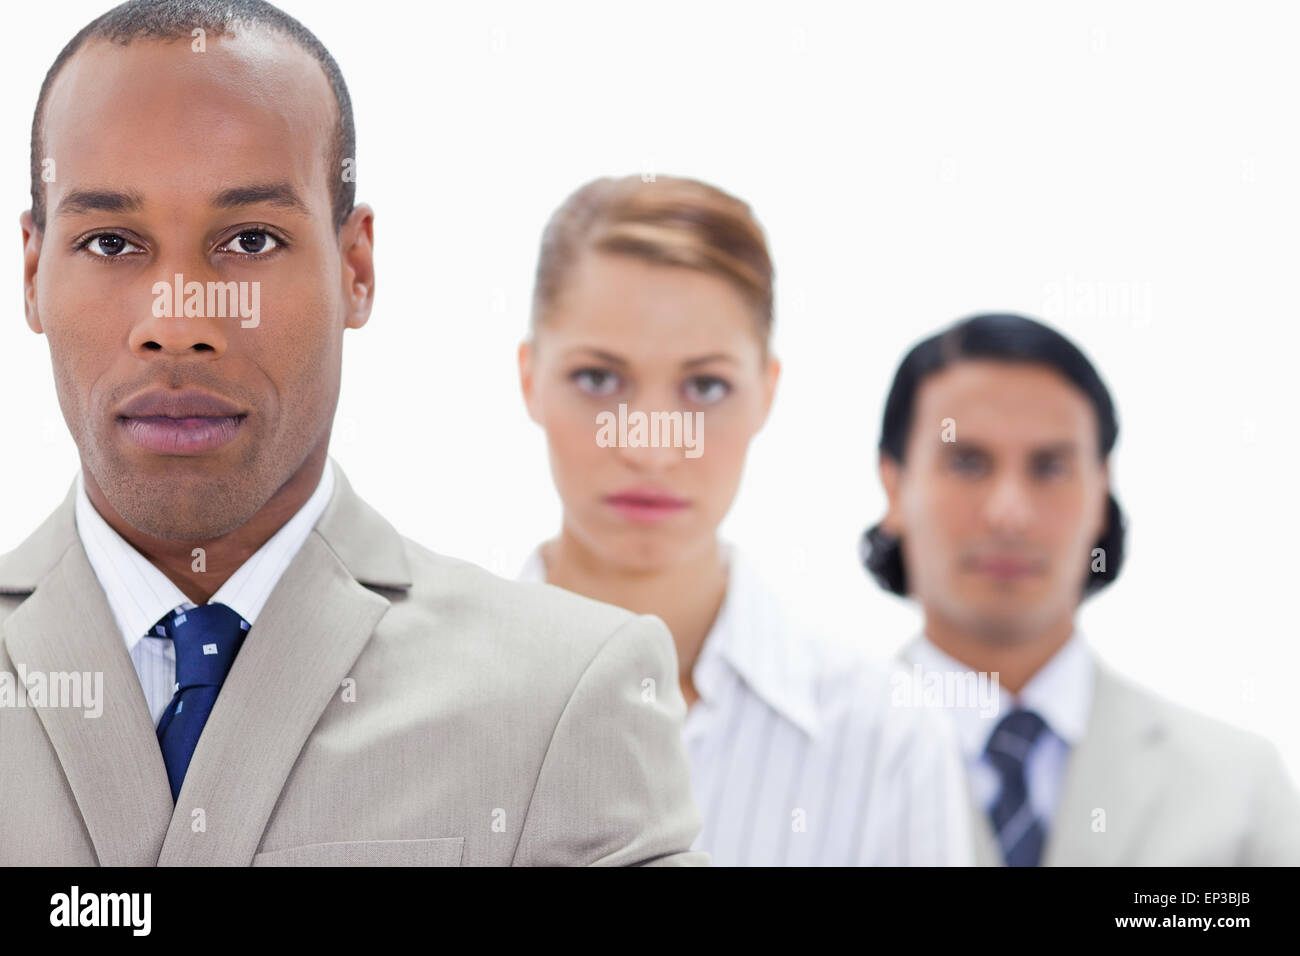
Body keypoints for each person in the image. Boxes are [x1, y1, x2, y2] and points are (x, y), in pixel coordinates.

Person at [0, 0, 705, 867]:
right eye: (111, 243)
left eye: (249, 239)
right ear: (32, 274)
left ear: (355, 269)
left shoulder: (565, 696)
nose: (177, 320)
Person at [517, 173, 973, 865]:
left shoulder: (886, 739)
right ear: (530, 379)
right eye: (598, 379)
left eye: (706, 386)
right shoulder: (420, 707)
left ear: (767, 393)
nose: (651, 447)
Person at [863, 311, 1300, 865]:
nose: (1009, 514)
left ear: (1102, 491)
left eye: (1049, 467)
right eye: (968, 462)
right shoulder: (809, 763)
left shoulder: (1240, 793)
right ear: (894, 485)